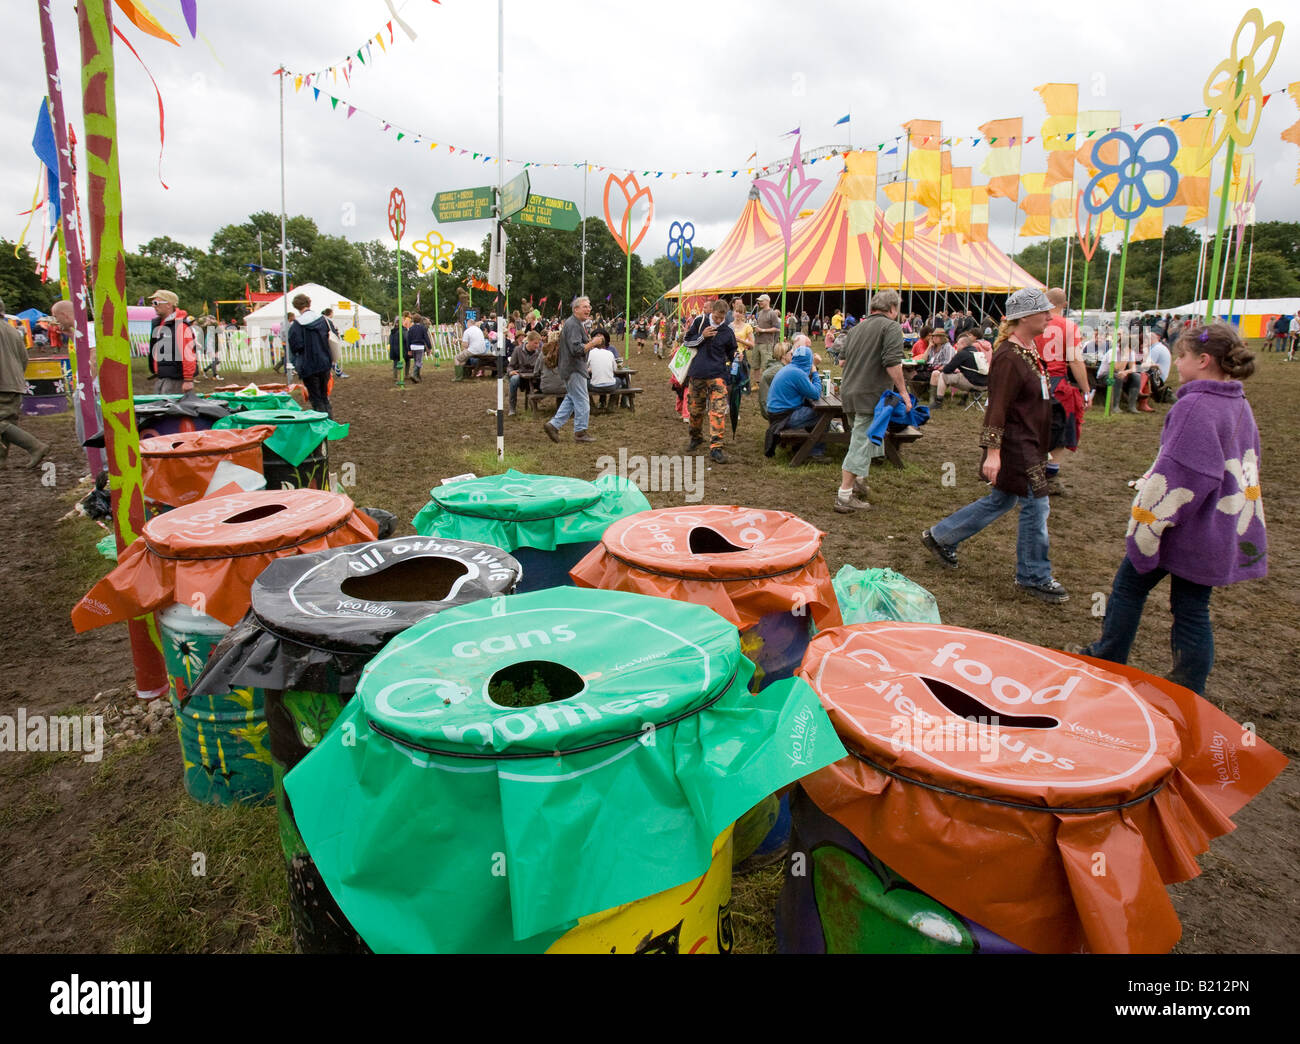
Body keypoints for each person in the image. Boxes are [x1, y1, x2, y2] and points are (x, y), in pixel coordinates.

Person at [1079, 323, 1264, 694]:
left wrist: (1151, 521)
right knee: (1193, 609)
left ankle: (1108, 657)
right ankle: (1188, 685)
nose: (1177, 363)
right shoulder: (1237, 402)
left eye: (1182, 356)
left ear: (1204, 360)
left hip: (1182, 527)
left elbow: (1181, 475)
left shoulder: (1195, 404)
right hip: (1217, 527)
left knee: (1128, 588)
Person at [920, 287, 1069, 604]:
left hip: (1027, 442)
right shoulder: (1009, 357)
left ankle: (941, 536)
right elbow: (997, 408)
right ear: (1025, 317)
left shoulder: (1025, 351)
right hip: (1016, 446)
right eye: (1043, 311)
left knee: (1002, 500)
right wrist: (993, 453)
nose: (1049, 316)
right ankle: (1033, 575)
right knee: (1036, 506)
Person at [834, 289, 911, 513]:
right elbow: (892, 362)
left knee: (860, 440)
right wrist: (904, 392)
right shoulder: (891, 327)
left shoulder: (856, 328)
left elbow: (842, 362)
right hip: (870, 394)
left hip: (849, 391)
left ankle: (858, 480)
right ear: (893, 308)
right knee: (860, 442)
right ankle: (844, 495)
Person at [1034, 287, 1091, 493]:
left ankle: (1030, 468)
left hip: (1031, 377)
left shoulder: (1033, 321)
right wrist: (1085, 390)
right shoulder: (1068, 325)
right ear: (1064, 305)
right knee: (1063, 426)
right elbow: (1075, 360)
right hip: (1057, 382)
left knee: (1032, 425)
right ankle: (1051, 474)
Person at [682, 299, 737, 463]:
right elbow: (686, 342)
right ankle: (696, 437)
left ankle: (716, 447)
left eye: (722, 318)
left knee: (718, 410)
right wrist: (702, 337)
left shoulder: (727, 331)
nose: (719, 321)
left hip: (718, 375)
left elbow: (732, 349)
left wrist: (736, 356)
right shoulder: (700, 322)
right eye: (716, 316)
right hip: (697, 374)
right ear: (711, 311)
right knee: (695, 410)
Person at [0, 298, 49, 467]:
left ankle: (35, 446)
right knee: (7, 422)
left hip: (2, 383)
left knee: (2, 423)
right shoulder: (12, 330)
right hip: (15, 382)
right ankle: (1, 460)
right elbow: (24, 358)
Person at [544, 296, 597, 444]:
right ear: (576, 309)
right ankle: (580, 433)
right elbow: (576, 349)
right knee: (582, 401)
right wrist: (593, 343)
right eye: (585, 306)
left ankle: (553, 425)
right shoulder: (573, 324)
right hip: (574, 368)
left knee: (571, 399)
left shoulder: (574, 323)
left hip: (570, 368)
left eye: (589, 306)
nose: (588, 309)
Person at [764, 341, 824, 457]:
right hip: (784, 418)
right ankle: (815, 452)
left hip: (775, 414)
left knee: (811, 410)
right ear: (808, 360)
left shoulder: (791, 368)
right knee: (822, 415)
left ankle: (803, 444)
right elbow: (816, 394)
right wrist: (815, 371)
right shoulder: (797, 373)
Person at [287, 293, 334, 416]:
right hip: (324, 362)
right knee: (324, 396)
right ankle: (330, 424)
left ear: (296, 306)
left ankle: (323, 428)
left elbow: (296, 346)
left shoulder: (296, 325)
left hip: (308, 365)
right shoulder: (324, 320)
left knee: (316, 398)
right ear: (309, 303)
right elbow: (333, 338)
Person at [147, 289, 197, 394]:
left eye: (156, 303)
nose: (153, 306)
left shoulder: (180, 326)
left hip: (175, 381)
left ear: (169, 305)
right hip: (162, 378)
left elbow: (188, 354)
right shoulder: (160, 324)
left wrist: (188, 379)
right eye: (152, 303)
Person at [934, 331, 988, 404]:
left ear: (963, 344)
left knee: (942, 376)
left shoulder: (962, 354)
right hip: (985, 385)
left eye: (958, 344)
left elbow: (947, 370)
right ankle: (963, 400)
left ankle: (938, 402)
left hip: (974, 384)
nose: (956, 345)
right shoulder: (977, 352)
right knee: (963, 375)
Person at [1095, 334, 1143, 413]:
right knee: (1117, 377)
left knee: (1136, 376)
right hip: (1105, 376)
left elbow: (1133, 368)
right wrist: (1125, 356)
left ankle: (1132, 406)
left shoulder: (1131, 352)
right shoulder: (1113, 352)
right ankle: (1115, 406)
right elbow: (1116, 368)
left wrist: (1125, 372)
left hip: (1120, 374)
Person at [507, 329, 542, 415]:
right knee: (514, 380)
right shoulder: (518, 350)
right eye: (535, 343)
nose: (537, 346)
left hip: (536, 377)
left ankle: (534, 398)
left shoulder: (540, 352)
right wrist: (510, 372)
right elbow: (510, 366)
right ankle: (512, 408)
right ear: (529, 341)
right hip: (521, 376)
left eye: (538, 343)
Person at [729, 298, 754, 394]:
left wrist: (740, 340)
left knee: (739, 381)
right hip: (730, 355)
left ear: (743, 314)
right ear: (733, 313)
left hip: (741, 356)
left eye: (740, 312)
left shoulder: (747, 327)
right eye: (736, 311)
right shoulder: (729, 326)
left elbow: (752, 344)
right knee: (730, 380)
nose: (738, 314)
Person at [752, 294, 780, 377]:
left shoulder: (772, 313)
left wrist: (763, 330)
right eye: (759, 301)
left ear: (767, 301)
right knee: (755, 365)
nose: (759, 302)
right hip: (757, 342)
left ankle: (766, 384)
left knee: (766, 366)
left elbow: (777, 329)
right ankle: (757, 384)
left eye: (761, 301)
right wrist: (755, 328)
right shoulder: (759, 313)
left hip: (767, 343)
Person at [454, 316, 486, 380]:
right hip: (482, 350)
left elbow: (465, 345)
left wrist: (461, 343)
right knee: (464, 359)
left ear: (468, 324)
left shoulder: (467, 331)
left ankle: (458, 377)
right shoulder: (479, 330)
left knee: (457, 358)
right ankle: (464, 373)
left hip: (473, 350)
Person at [406, 313, 430, 383]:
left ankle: (417, 376)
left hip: (413, 347)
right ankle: (413, 374)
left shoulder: (411, 328)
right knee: (419, 362)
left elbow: (408, 339)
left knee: (416, 362)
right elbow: (426, 338)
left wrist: (409, 349)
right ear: (420, 320)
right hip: (420, 347)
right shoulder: (423, 328)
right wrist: (429, 347)